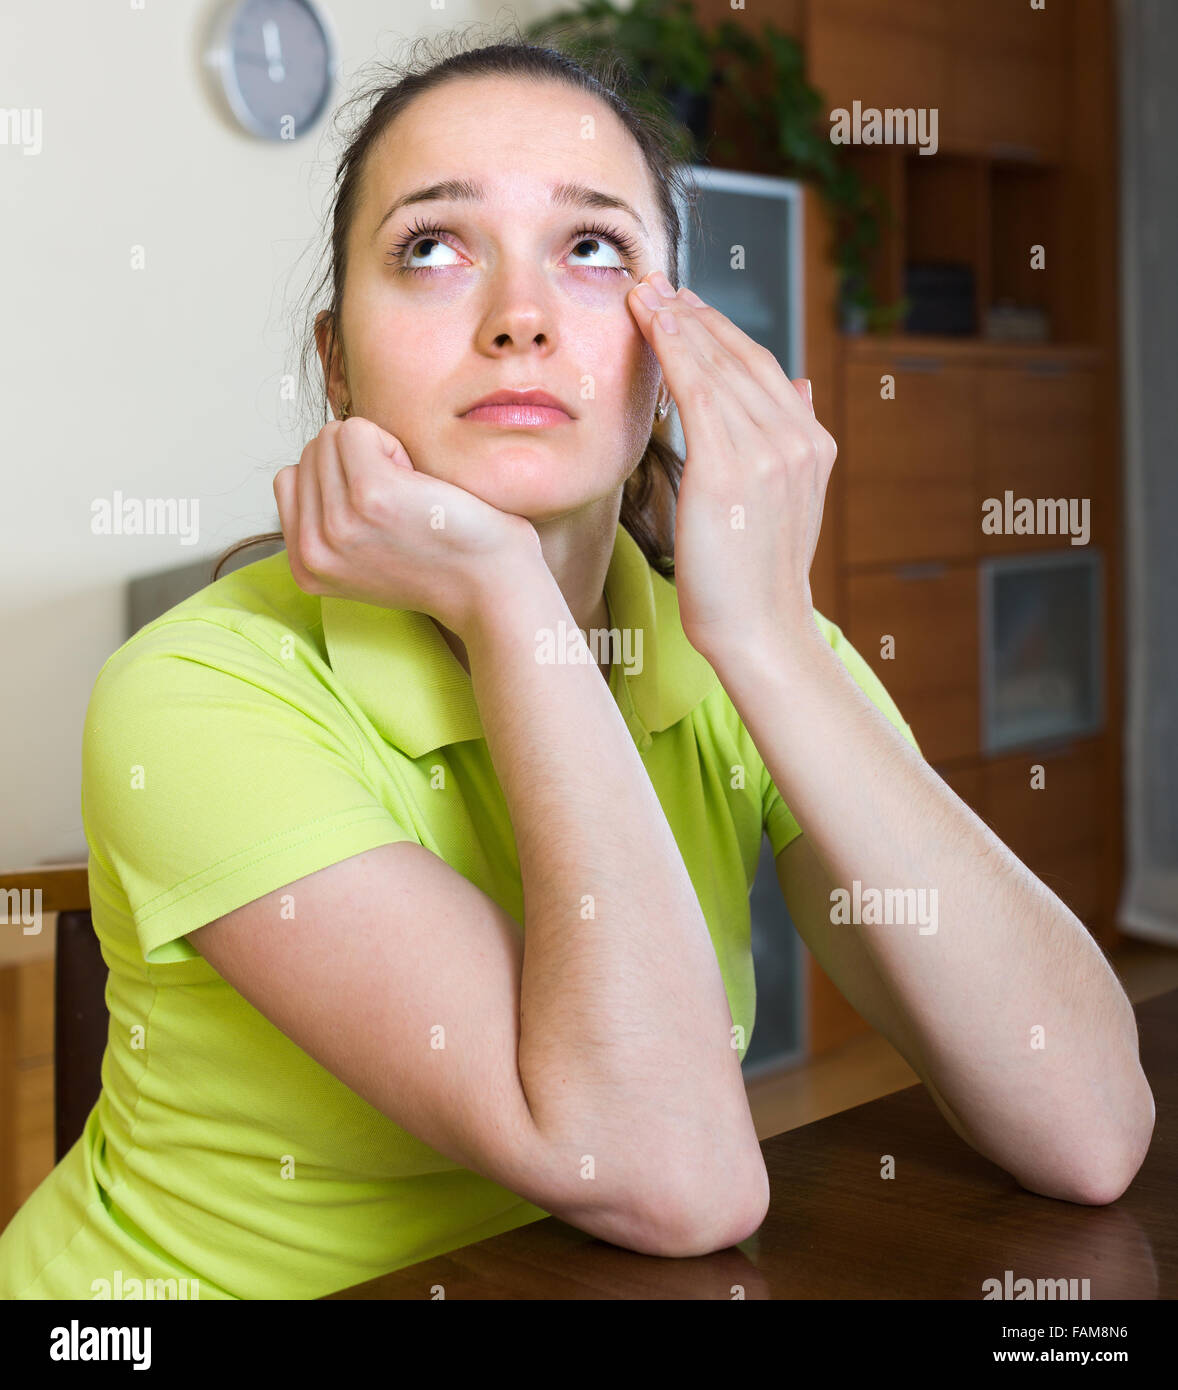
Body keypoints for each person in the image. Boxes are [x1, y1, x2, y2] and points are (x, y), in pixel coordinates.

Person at [0, 27, 1152, 1302]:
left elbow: (1090, 1128)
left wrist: (770, 638)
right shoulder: (195, 691)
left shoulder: (743, 647)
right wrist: (507, 600)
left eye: (592, 247)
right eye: (433, 248)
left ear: (672, 361)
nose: (521, 320)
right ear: (336, 364)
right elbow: (675, 1177)